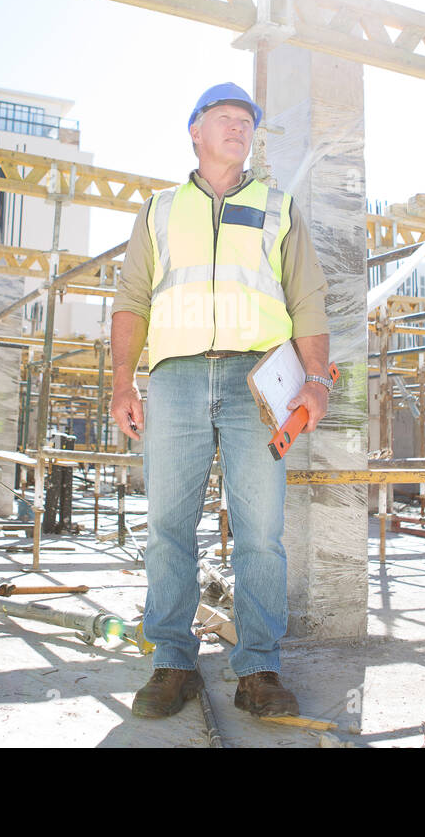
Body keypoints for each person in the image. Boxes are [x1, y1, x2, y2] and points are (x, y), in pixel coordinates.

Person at [109, 81, 332, 719]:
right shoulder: (158, 210)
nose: (238, 128)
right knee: (167, 527)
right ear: (195, 131)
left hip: (256, 380)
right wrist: (124, 380)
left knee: (261, 531)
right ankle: (172, 661)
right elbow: (132, 298)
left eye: (247, 121)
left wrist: (315, 379)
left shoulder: (279, 207)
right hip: (175, 378)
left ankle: (259, 666)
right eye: (225, 118)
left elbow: (307, 298)